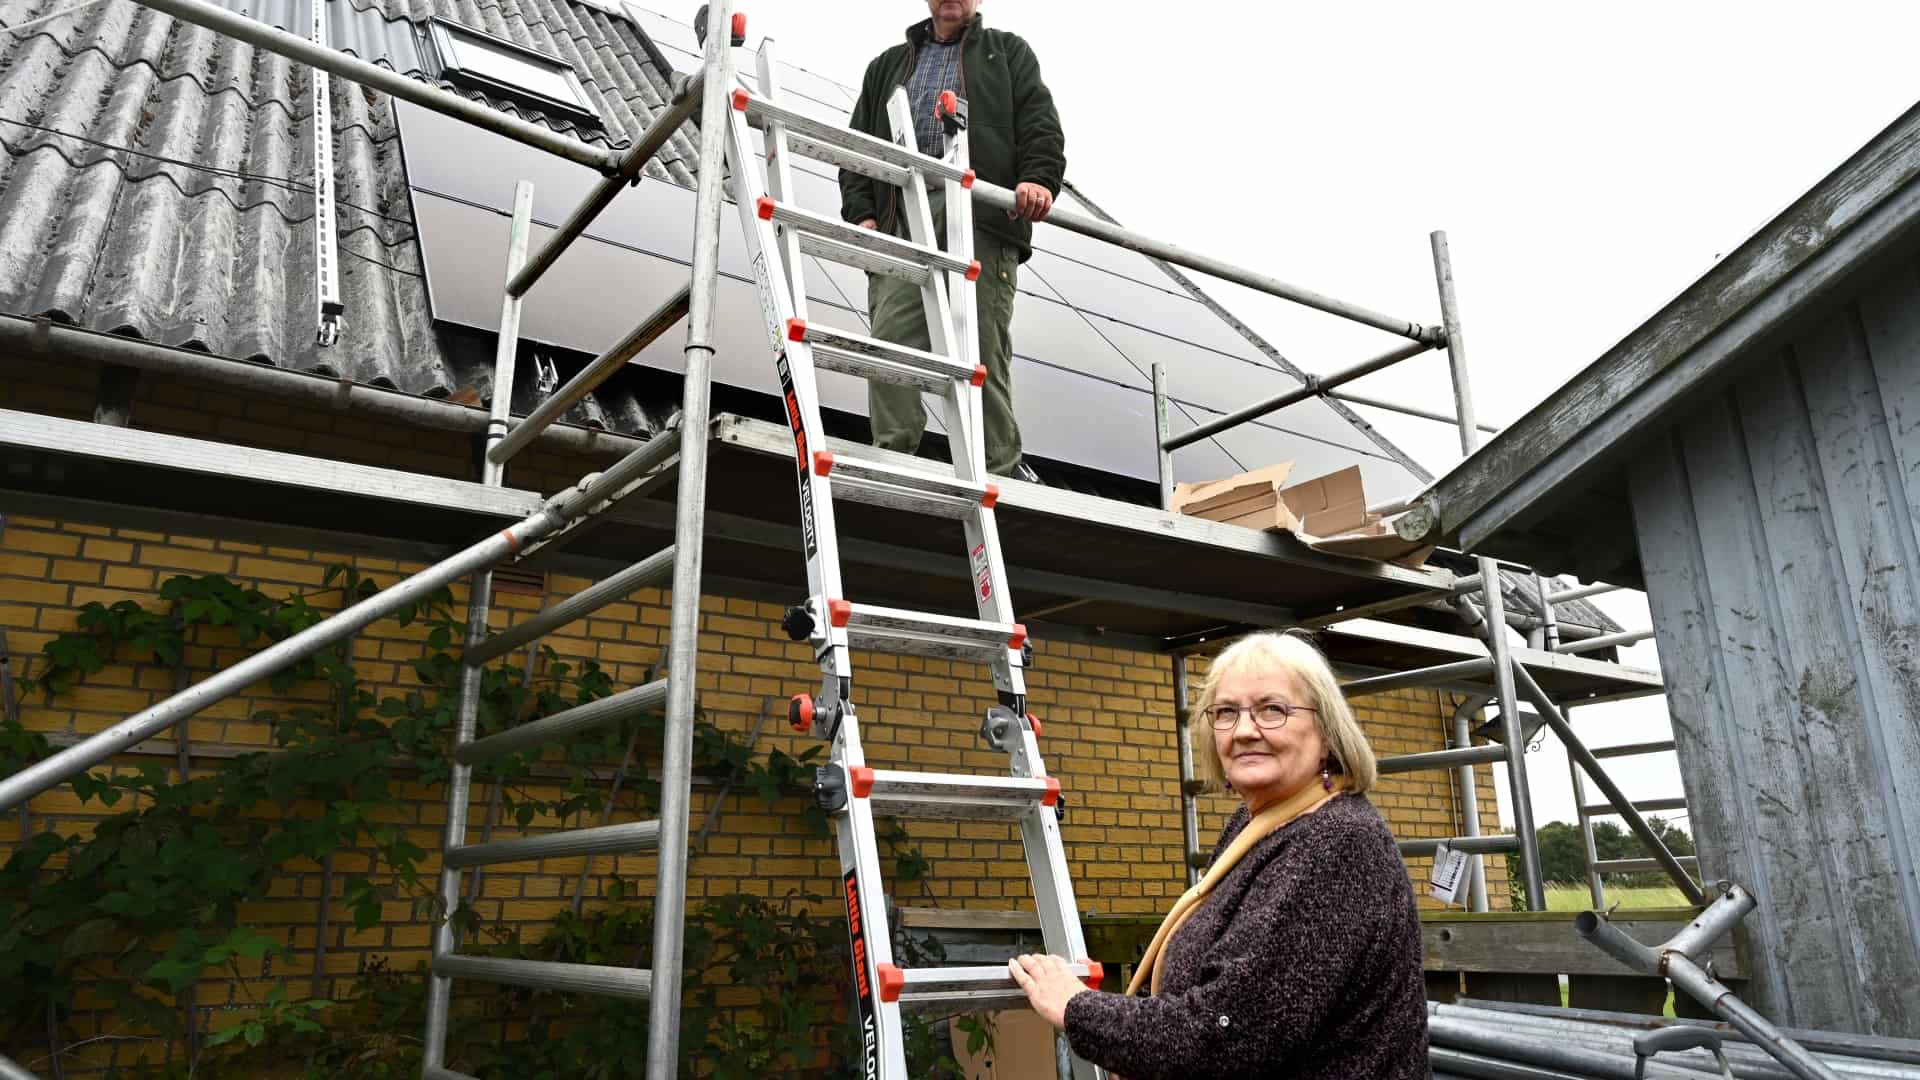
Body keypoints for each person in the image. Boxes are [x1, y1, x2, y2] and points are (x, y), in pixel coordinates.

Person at [1008, 632, 1430, 1079]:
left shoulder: (1340, 843)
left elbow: (1230, 1034)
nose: (1244, 731)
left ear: (1327, 734)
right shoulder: (1256, 825)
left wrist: (1077, 1008)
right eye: (1226, 712)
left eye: (1272, 709)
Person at [838, 0, 1065, 479]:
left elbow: (1040, 125)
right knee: (891, 339)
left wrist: (1038, 179)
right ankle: (894, 456)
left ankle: (998, 468)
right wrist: (864, 215)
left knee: (979, 343)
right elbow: (858, 147)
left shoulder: (1007, 53)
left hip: (978, 213)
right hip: (902, 211)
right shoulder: (886, 67)